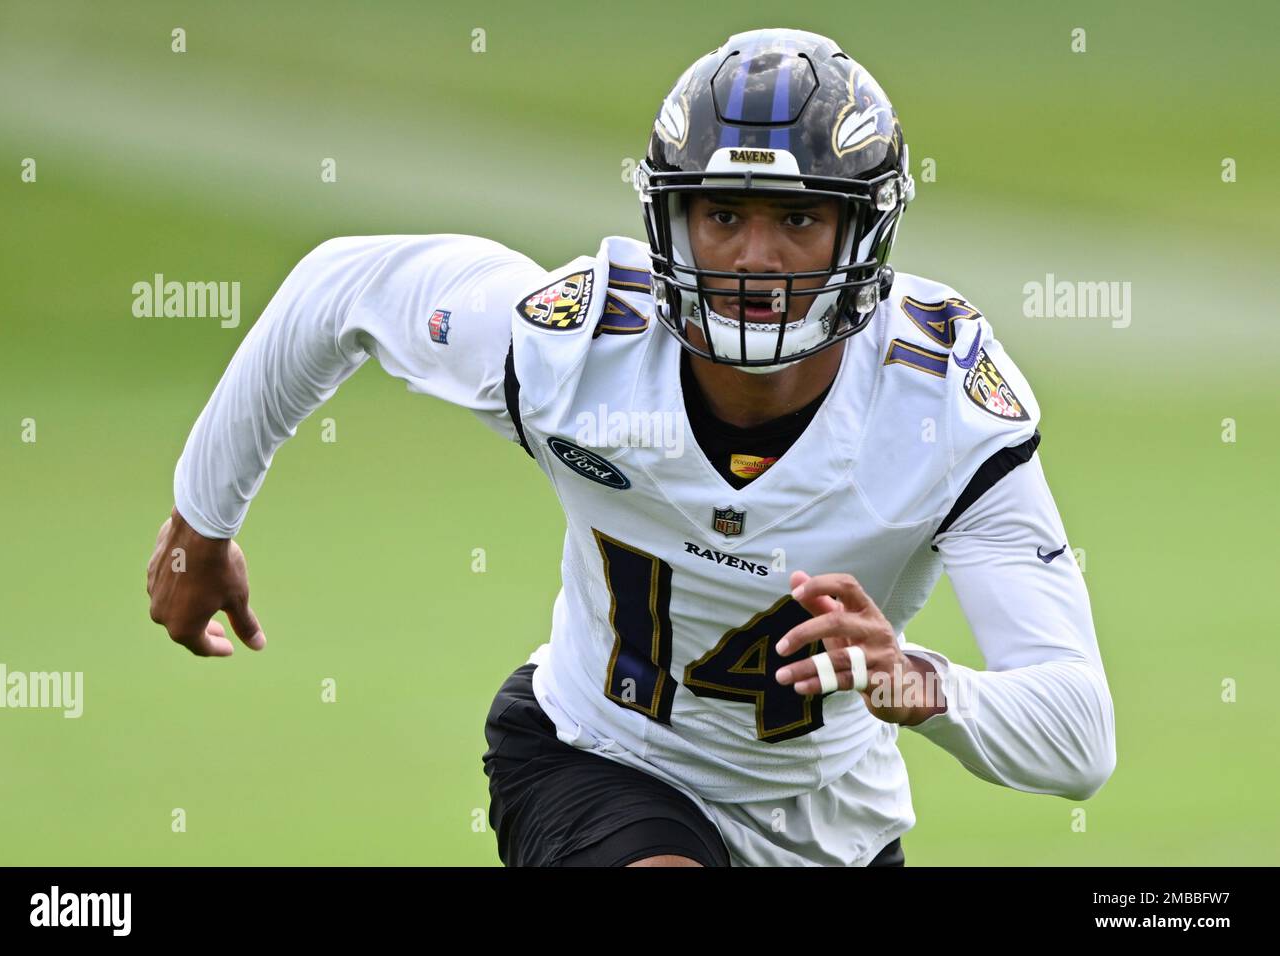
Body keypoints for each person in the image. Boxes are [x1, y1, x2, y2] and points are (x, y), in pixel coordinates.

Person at [147, 27, 1116, 867]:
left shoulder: (940, 406)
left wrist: (917, 679)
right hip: (596, 754)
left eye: (797, 218)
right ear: (670, 219)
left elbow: (1077, 738)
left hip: (830, 820)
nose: (753, 259)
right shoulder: (574, 349)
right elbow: (340, 287)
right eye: (723, 213)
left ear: (862, 230)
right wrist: (203, 519)